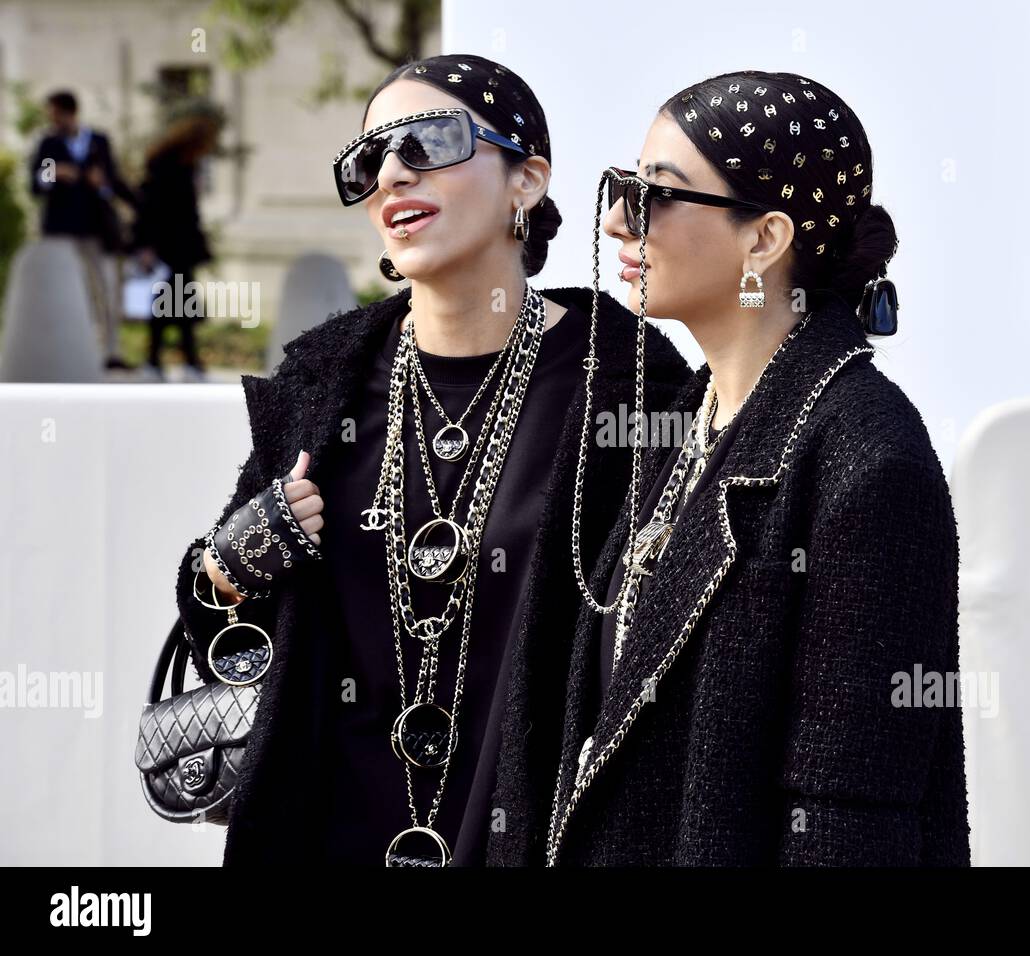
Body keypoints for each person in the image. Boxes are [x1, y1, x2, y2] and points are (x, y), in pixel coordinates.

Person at [169, 53, 691, 866]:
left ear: (527, 180)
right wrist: (235, 559)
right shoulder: (324, 376)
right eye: (369, 159)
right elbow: (218, 623)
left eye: (427, 143)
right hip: (327, 838)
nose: (390, 175)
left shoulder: (626, 379)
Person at [534, 70, 970, 866]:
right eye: (621, 186)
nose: (614, 220)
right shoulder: (684, 422)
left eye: (653, 195)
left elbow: (850, 820)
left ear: (764, 239)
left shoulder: (869, 457)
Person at [29, 89, 136, 370]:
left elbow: (113, 182)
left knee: (107, 290)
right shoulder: (48, 145)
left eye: (55, 114)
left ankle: (111, 353)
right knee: (67, 292)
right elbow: (36, 183)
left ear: (69, 113)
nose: (52, 120)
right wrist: (56, 173)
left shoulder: (98, 142)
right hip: (61, 233)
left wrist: (100, 183)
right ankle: (69, 352)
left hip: (97, 231)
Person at [131, 113, 221, 382]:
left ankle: (178, 361)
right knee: (167, 304)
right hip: (165, 245)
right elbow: (150, 209)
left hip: (181, 244)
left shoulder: (186, 166)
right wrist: (145, 245)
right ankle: (161, 361)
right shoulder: (165, 167)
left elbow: (188, 211)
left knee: (181, 304)